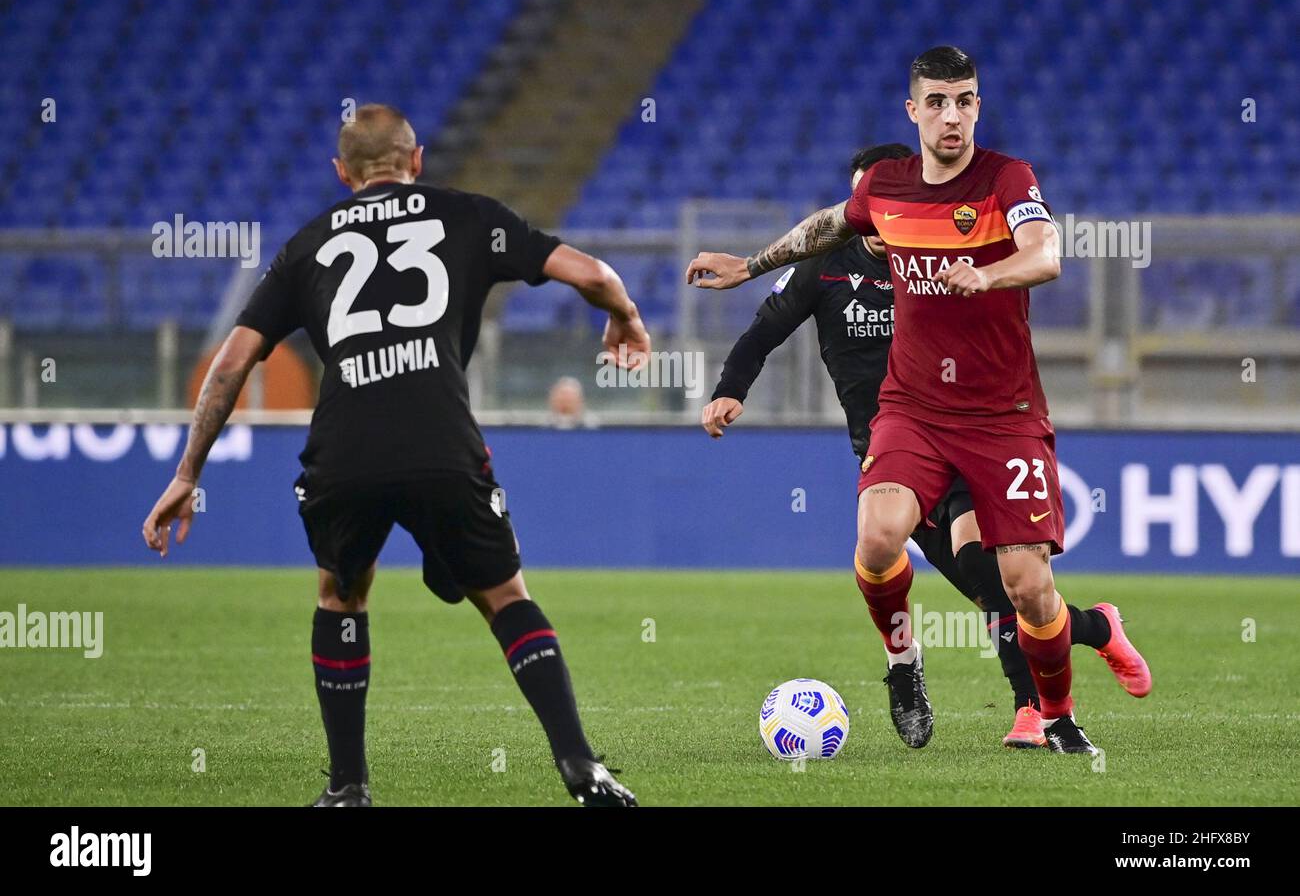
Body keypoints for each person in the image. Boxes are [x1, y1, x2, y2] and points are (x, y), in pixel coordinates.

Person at [143, 104, 648, 804]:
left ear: (342, 172)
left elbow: (230, 365)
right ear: (415, 162)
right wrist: (622, 314)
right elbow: (589, 273)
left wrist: (186, 472)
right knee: (504, 598)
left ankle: (348, 789)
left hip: (344, 454)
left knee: (340, 595)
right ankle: (580, 767)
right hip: (440, 441)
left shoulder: (308, 244)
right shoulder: (467, 214)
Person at [687, 48, 1150, 754]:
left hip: (1003, 417)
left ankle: (1056, 710)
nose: (952, 115)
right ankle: (904, 664)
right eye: (936, 101)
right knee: (877, 538)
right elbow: (827, 224)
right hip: (913, 409)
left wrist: (990, 276)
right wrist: (748, 266)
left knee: (1024, 588)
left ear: (977, 107)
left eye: (964, 100)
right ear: (913, 110)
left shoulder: (1006, 178)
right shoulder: (887, 187)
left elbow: (1047, 254)